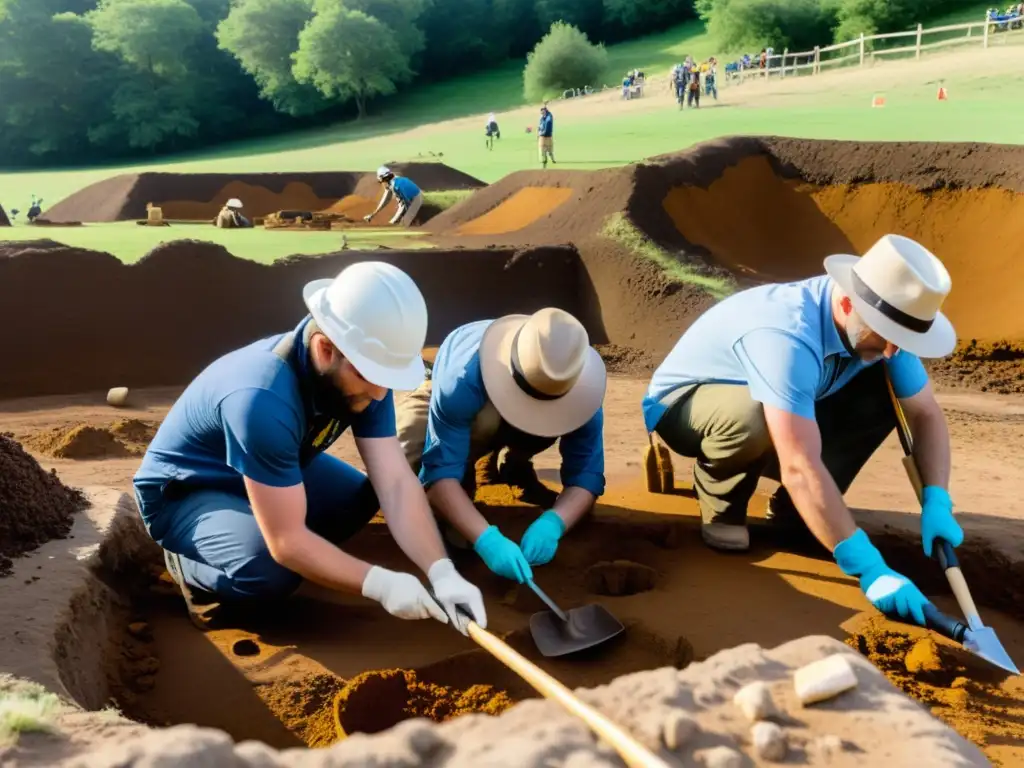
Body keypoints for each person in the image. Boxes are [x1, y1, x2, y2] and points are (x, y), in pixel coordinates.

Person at [132, 261, 487, 635]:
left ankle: (263, 527)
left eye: (388, 378)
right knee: (272, 572)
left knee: (360, 499)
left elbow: (396, 482)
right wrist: (380, 584)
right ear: (325, 348)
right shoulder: (261, 398)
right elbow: (286, 542)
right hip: (189, 490)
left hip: (263, 468)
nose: (381, 394)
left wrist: (441, 571)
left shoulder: (364, 372)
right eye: (371, 376)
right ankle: (187, 566)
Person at [641, 234, 964, 627]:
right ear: (848, 303)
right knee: (752, 416)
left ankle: (799, 513)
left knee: (885, 390)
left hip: (787, 402)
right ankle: (722, 501)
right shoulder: (785, 336)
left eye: (903, 341)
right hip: (687, 406)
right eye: (886, 337)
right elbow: (798, 463)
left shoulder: (884, 330)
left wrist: (937, 499)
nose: (894, 351)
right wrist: (868, 568)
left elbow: (925, 414)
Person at [394, 309, 607, 584]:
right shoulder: (461, 379)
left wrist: (554, 523)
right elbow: (439, 471)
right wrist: (487, 540)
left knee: (543, 432)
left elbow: (587, 475)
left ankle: (515, 465)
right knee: (408, 448)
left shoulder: (578, 386)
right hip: (467, 408)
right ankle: (472, 464)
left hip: (504, 418)